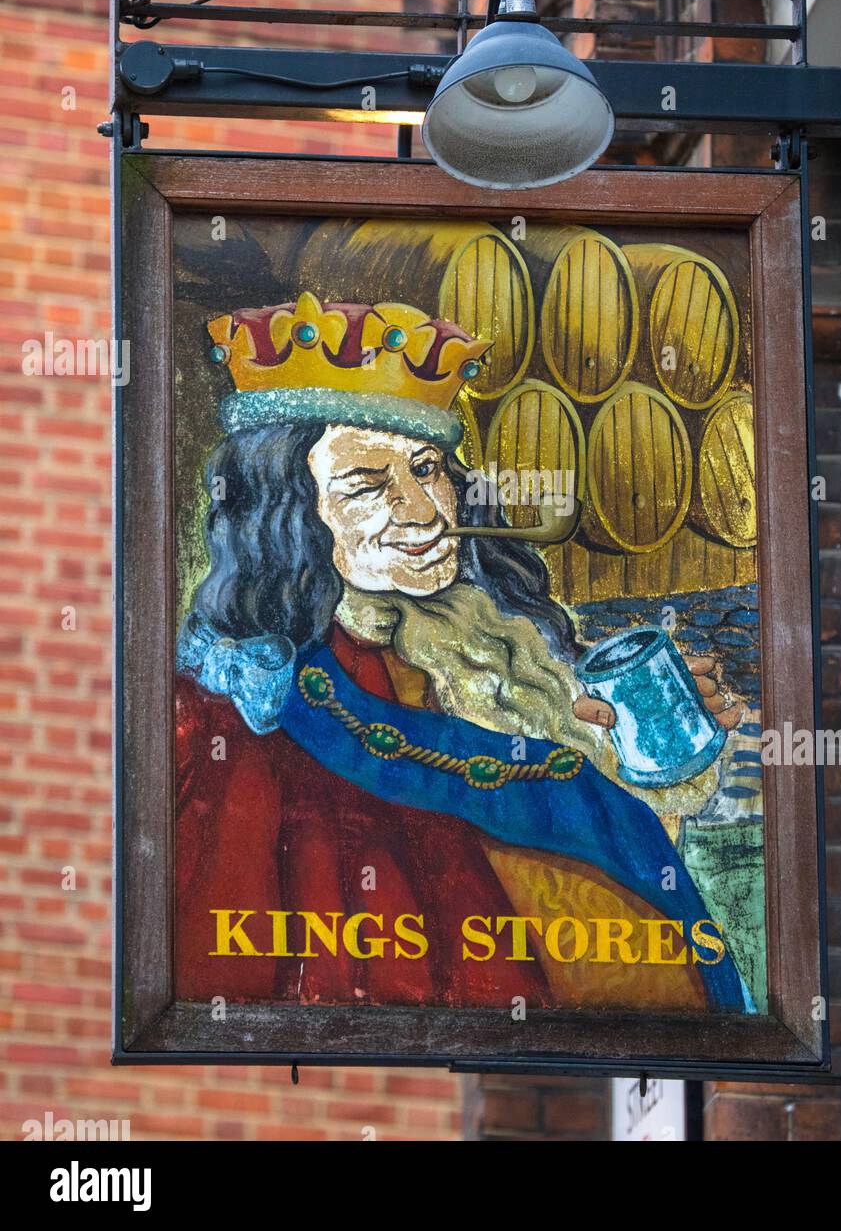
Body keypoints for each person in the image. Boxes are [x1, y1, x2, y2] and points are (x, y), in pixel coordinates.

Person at [175, 290, 751, 1013]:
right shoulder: (241, 715)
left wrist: (638, 755)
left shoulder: (495, 643)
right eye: (365, 487)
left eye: (425, 469)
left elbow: (587, 868)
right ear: (291, 518)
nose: (421, 512)